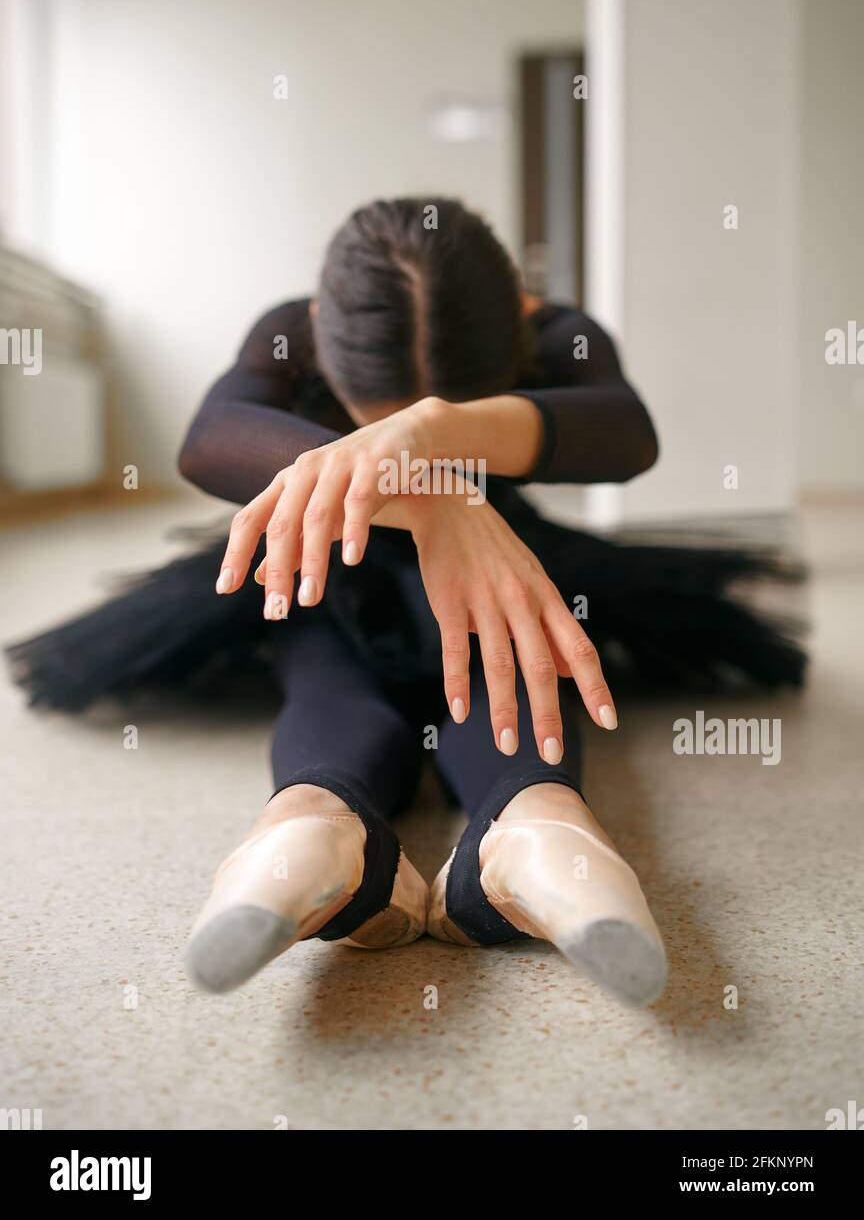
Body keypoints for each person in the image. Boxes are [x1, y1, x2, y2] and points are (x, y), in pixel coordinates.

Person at [8, 197, 806, 1009]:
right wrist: (432, 497)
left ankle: (328, 834)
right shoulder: (288, 332)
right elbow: (209, 443)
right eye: (367, 431)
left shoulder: (560, 333)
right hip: (329, 567)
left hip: (501, 566)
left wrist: (423, 435)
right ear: (317, 328)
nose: (388, 445)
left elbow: (628, 434)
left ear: (523, 322)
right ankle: (538, 835)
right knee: (319, 631)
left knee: (516, 633)